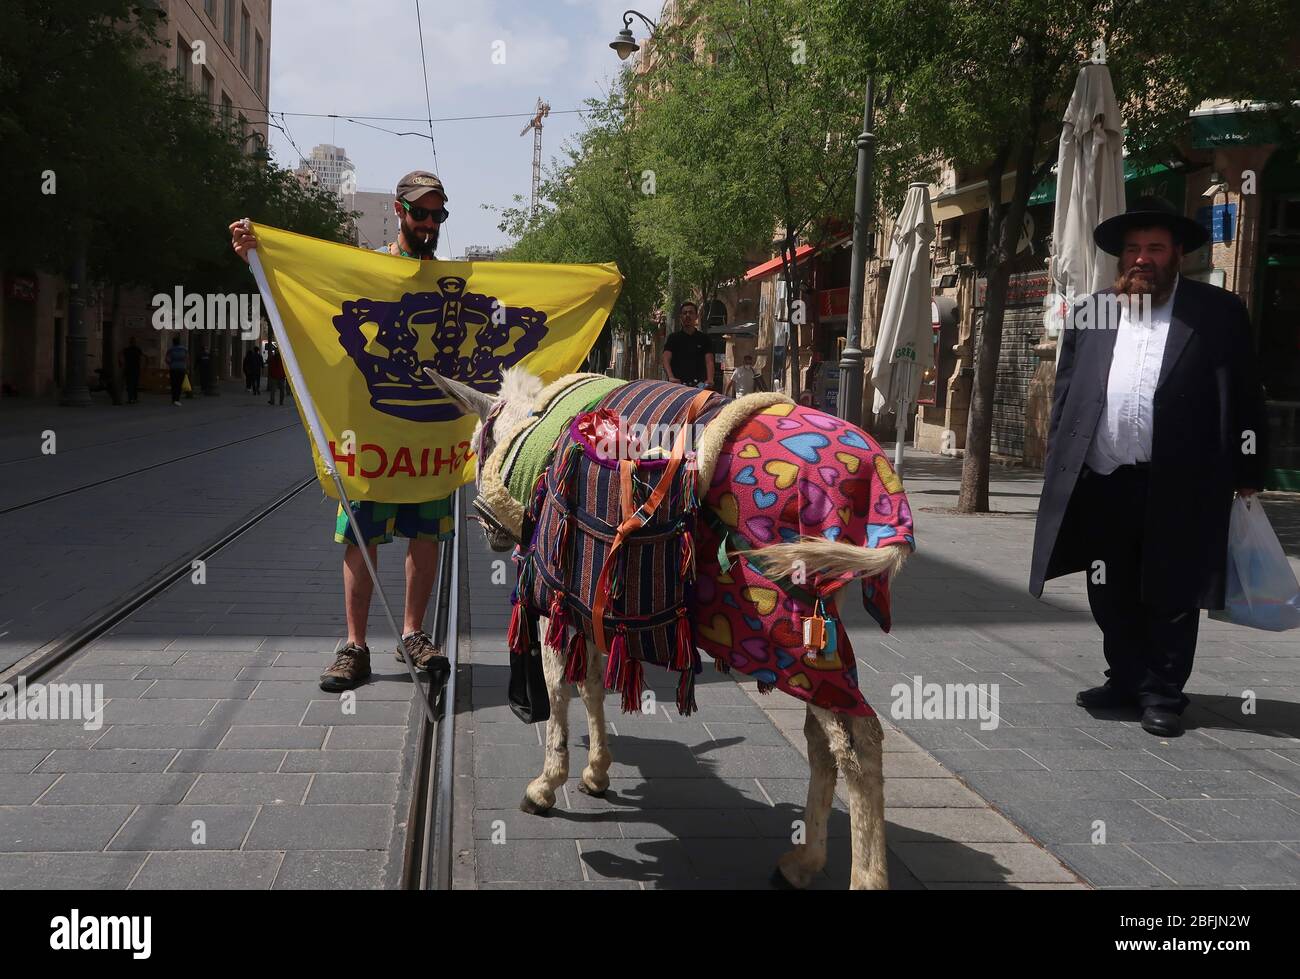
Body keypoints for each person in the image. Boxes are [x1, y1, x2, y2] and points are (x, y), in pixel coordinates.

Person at [1029, 197, 1268, 738]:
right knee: (1107, 589)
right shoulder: (1094, 310)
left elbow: (1244, 393)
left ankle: (1162, 692)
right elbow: (1067, 393)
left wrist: (1250, 465)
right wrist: (1058, 463)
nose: (1142, 258)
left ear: (1176, 254)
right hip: (1105, 480)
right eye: (1133, 249)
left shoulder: (1215, 312)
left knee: (1171, 590)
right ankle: (1126, 676)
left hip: (1182, 482)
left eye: (1154, 248)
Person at [229, 170, 456, 692]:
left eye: (437, 214)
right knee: (361, 533)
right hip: (369, 429)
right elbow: (315, 290)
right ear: (399, 211)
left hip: (430, 431)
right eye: (419, 212)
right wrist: (259, 260)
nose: (428, 223)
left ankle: (415, 635)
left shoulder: (454, 281)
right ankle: (355, 646)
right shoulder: (368, 268)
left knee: (426, 533)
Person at [662, 300, 714, 389]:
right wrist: (671, 377)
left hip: (700, 385)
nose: (687, 315)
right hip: (678, 385)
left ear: (696, 316)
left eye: (691, 313)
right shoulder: (673, 338)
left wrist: (710, 379)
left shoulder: (704, 338)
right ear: (680, 317)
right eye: (684, 313)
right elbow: (666, 359)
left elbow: (709, 361)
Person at [165, 336, 188, 406]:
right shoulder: (184, 349)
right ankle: (177, 399)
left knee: (173, 384)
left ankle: (173, 399)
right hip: (181, 369)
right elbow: (187, 359)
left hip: (173, 369)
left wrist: (170, 364)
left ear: (173, 342)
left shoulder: (170, 350)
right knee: (179, 384)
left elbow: (166, 359)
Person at [120, 337, 144, 404]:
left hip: (129, 368)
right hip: (135, 368)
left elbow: (120, 355)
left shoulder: (127, 349)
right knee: (134, 384)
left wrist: (121, 364)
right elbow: (143, 358)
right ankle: (134, 398)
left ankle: (131, 399)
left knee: (130, 384)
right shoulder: (137, 349)